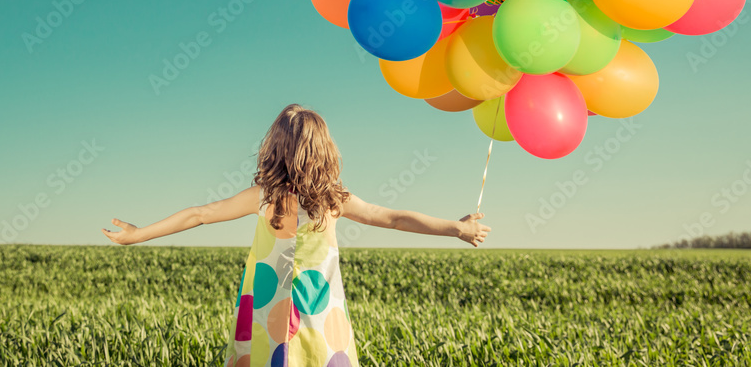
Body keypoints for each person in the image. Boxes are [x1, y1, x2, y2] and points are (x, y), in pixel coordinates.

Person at [102, 103, 491, 366]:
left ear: (274, 148)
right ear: (325, 152)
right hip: (320, 310)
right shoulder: (334, 200)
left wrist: (139, 234)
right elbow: (393, 218)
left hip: (266, 310)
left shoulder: (264, 197)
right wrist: (456, 228)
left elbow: (200, 214)